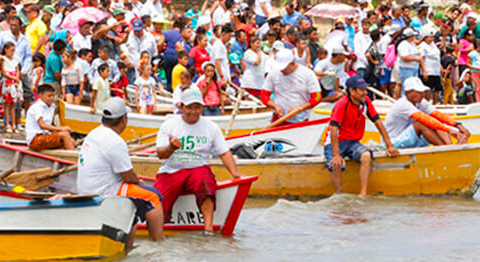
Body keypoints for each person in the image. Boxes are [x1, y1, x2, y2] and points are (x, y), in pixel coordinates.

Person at [77, 97, 165, 245]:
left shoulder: (94, 133)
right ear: (124, 119)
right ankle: (158, 243)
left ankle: (127, 244)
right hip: (104, 189)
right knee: (153, 197)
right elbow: (128, 176)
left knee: (136, 198)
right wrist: (139, 182)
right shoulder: (115, 141)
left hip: (87, 187)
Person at [155, 88, 242, 236]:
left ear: (202, 108)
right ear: (182, 107)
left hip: (198, 168)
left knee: (205, 182)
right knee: (157, 200)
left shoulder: (211, 127)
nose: (193, 111)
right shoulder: (169, 125)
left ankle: (208, 229)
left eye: (197, 107)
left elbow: (224, 153)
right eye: (189, 107)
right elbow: (160, 154)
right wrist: (171, 147)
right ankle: (157, 232)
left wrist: (236, 175)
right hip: (172, 170)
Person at [325, 76, 399, 196]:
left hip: (353, 142)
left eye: (365, 89)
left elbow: (379, 123)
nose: (365, 92)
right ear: (352, 91)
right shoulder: (342, 104)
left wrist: (389, 146)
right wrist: (336, 154)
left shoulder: (366, 102)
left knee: (366, 156)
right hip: (335, 142)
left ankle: (363, 194)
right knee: (336, 164)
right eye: (361, 90)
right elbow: (334, 129)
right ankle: (339, 195)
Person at [384, 77, 470, 149]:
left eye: (423, 92)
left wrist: (458, 125)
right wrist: (449, 130)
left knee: (435, 120)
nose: (422, 95)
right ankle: (444, 149)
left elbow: (438, 114)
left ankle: (449, 147)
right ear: (408, 93)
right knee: (420, 124)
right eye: (419, 92)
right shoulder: (402, 104)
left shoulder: (421, 102)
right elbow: (423, 119)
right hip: (392, 142)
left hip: (407, 139)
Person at [260, 49, 322, 123]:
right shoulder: (273, 73)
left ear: (292, 63)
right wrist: (275, 106)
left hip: (300, 119)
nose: (281, 70)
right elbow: (264, 94)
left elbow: (317, 97)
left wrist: (300, 108)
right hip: (279, 119)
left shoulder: (307, 74)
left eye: (284, 68)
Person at [25, 83, 76, 151]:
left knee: (71, 141)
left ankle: (65, 158)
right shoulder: (37, 107)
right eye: (49, 96)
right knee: (65, 135)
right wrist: (61, 129)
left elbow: (51, 125)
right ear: (40, 96)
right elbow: (42, 125)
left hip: (45, 135)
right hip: (35, 139)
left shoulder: (51, 106)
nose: (52, 98)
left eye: (53, 96)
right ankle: (74, 161)